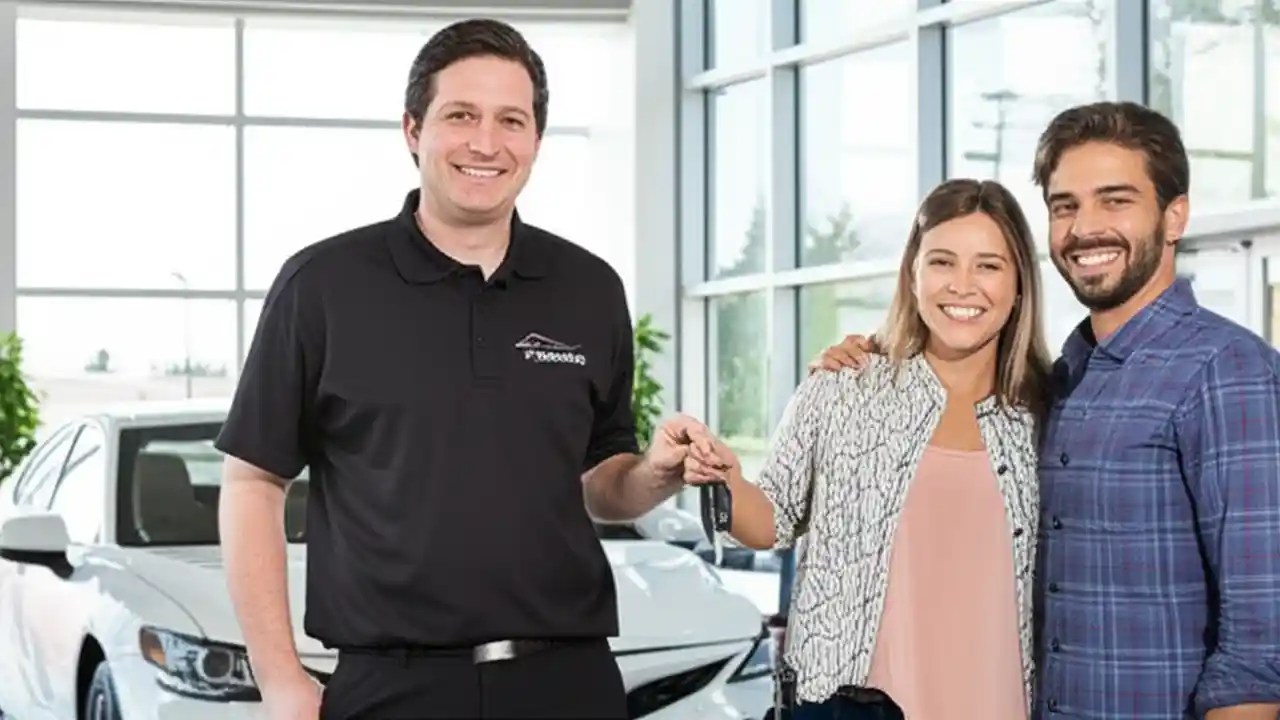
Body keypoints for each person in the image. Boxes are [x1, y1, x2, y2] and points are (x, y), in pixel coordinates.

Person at [215, 18, 711, 720]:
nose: (486, 142)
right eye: (461, 116)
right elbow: (251, 483)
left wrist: (654, 474)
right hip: (391, 689)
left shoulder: (589, 288)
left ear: (536, 140)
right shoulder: (322, 286)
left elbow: (601, 485)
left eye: (511, 120)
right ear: (412, 130)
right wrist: (280, 679)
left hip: (570, 683)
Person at [814, 101, 1280, 719]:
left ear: (1174, 217)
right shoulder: (1059, 382)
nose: (1085, 228)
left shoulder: (1226, 369)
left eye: (1115, 201)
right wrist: (878, 359)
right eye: (1065, 206)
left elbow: (1259, 644)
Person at [685, 178, 1053, 720]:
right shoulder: (843, 387)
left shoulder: (1048, 416)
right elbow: (773, 520)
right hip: (852, 707)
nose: (962, 286)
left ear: (1019, 284)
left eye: (988, 266)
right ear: (913, 274)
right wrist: (725, 478)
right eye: (942, 262)